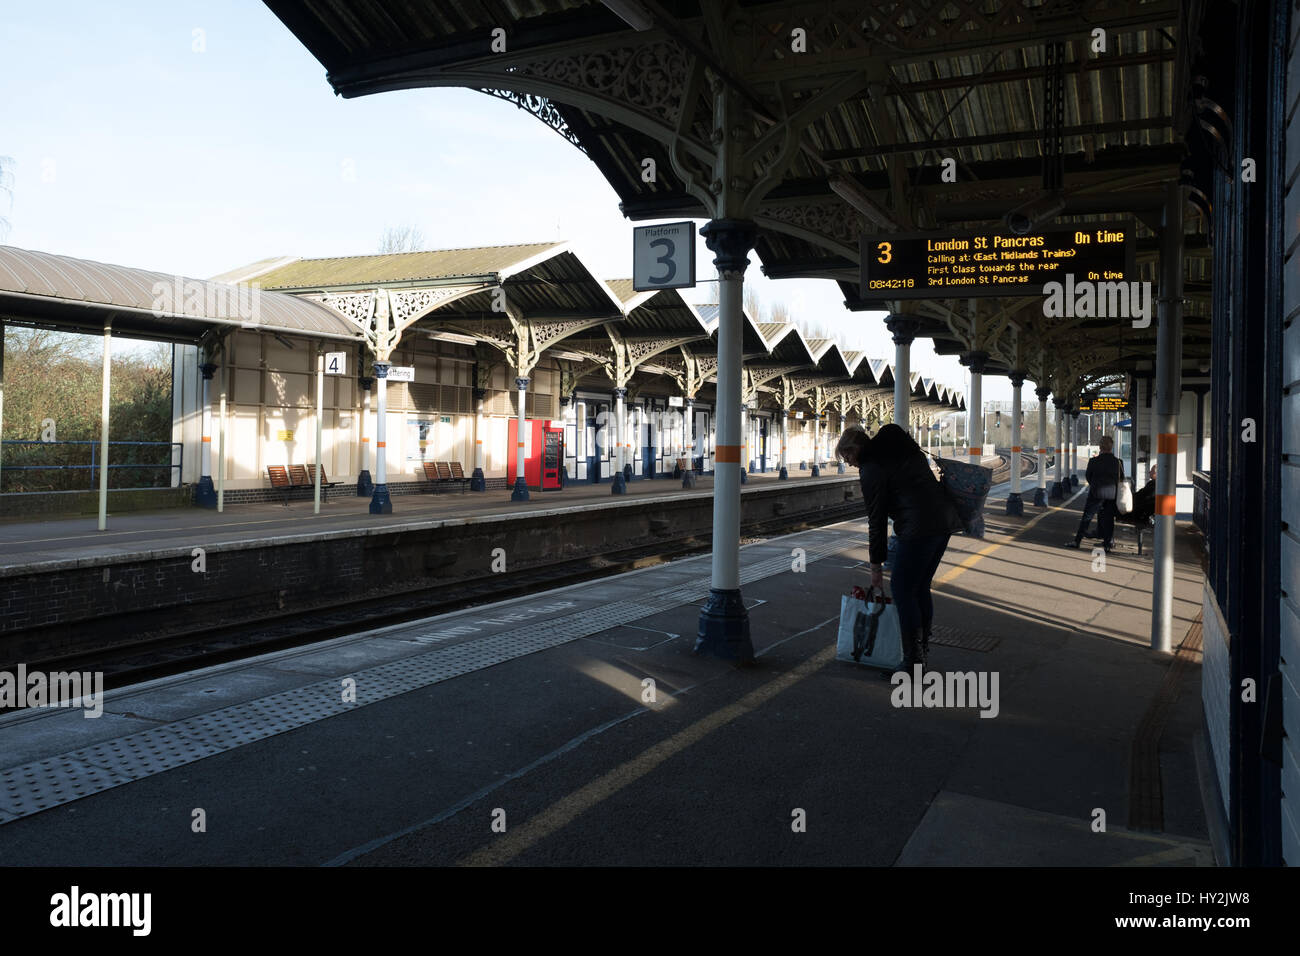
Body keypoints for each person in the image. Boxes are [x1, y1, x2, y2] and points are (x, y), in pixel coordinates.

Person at [836, 423, 961, 674]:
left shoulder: (872, 467)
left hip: (918, 529)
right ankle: (920, 656)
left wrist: (875, 567)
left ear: (856, 448)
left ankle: (913, 663)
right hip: (944, 522)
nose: (848, 463)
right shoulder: (901, 449)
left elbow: (877, 521)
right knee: (919, 588)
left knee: (903, 591)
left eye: (847, 456)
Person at [1067, 435, 1125, 551]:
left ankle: (1077, 541)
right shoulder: (1118, 462)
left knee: (1087, 517)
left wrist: (1096, 484)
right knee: (1109, 520)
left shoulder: (1094, 461)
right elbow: (1121, 478)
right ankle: (1107, 545)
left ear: (1100, 447)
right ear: (1111, 447)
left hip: (1096, 493)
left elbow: (1088, 476)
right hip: (1112, 494)